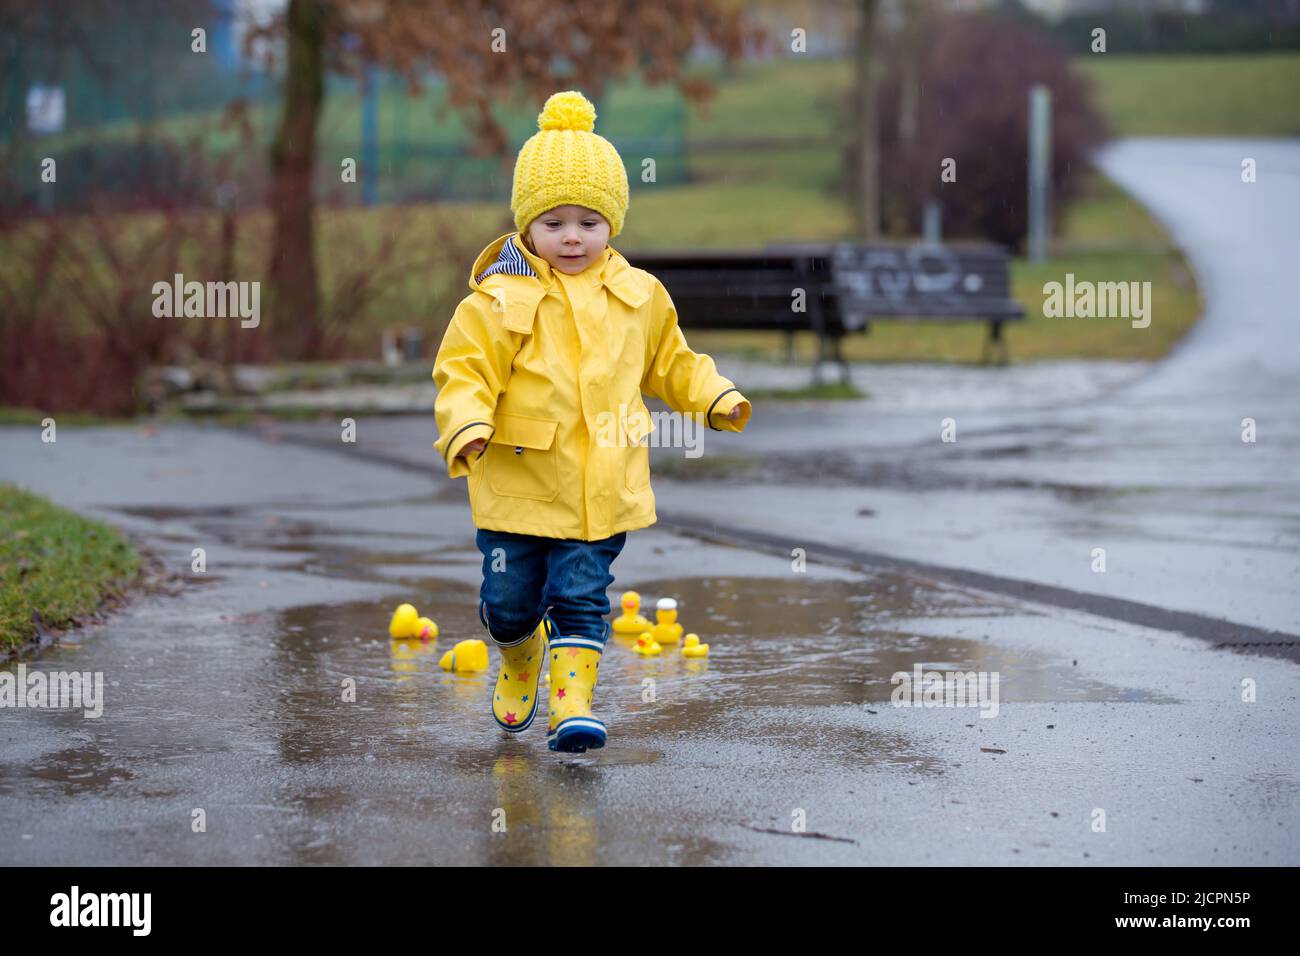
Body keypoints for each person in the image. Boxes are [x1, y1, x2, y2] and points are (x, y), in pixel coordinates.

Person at [432, 90, 751, 753]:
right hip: (517, 490)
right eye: (553, 222)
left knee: (582, 595)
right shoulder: (497, 301)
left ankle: (572, 706)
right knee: (511, 601)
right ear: (526, 226)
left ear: (613, 223)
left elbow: (673, 361)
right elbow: (464, 372)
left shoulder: (638, 296)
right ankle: (521, 654)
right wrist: (465, 425)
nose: (572, 237)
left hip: (602, 490)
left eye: (588, 221)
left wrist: (712, 396)